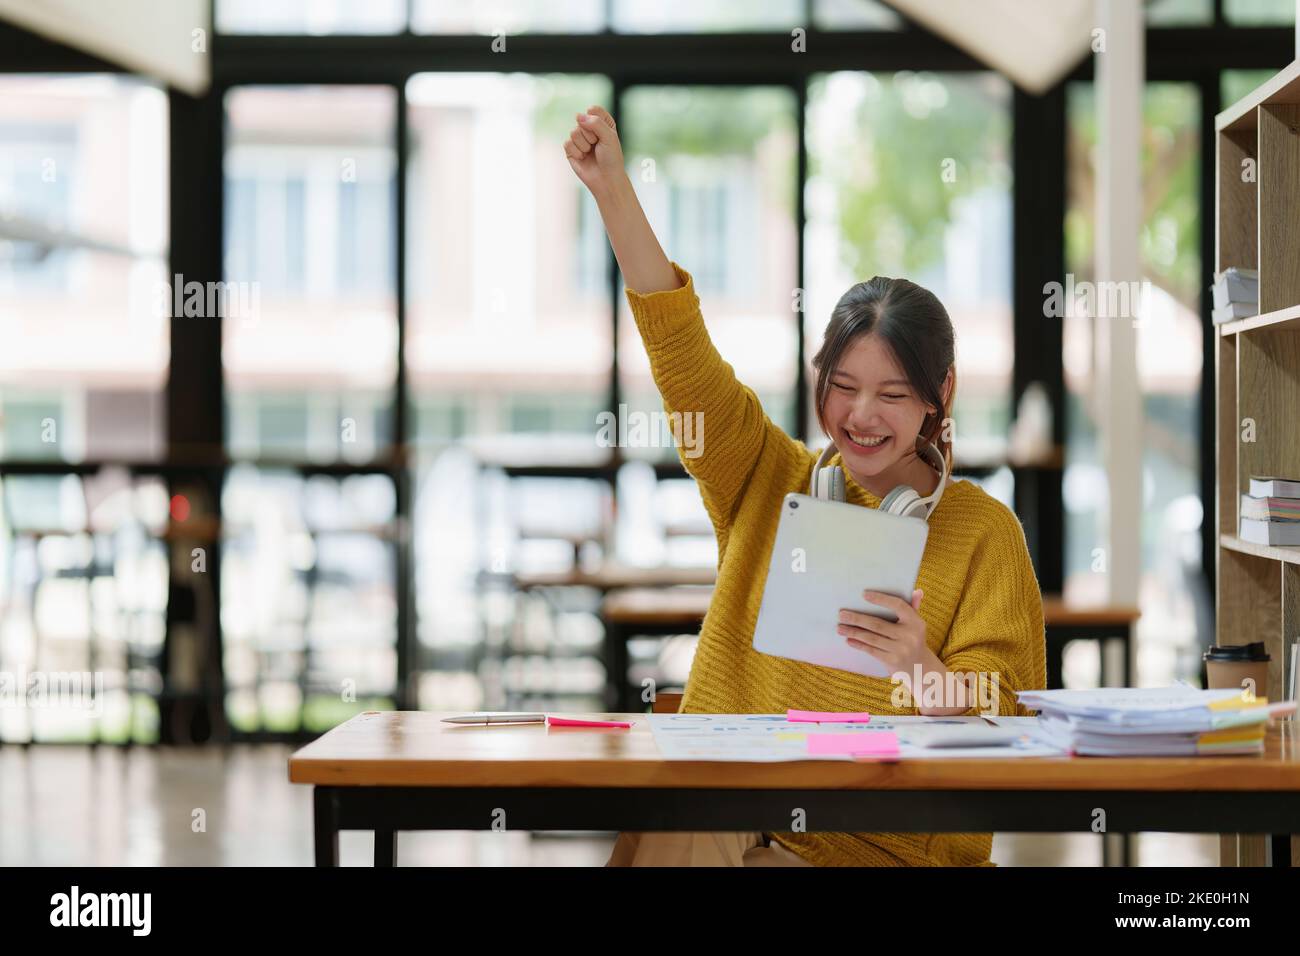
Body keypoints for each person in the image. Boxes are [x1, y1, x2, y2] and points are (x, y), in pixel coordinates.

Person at [563, 105, 1045, 867]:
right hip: (733, 812)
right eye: (842, 386)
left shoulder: (985, 533)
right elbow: (682, 355)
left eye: (892, 395)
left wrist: (922, 668)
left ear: (938, 394)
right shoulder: (765, 477)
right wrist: (611, 189)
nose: (859, 416)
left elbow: (1004, 723)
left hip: (873, 853)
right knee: (690, 819)